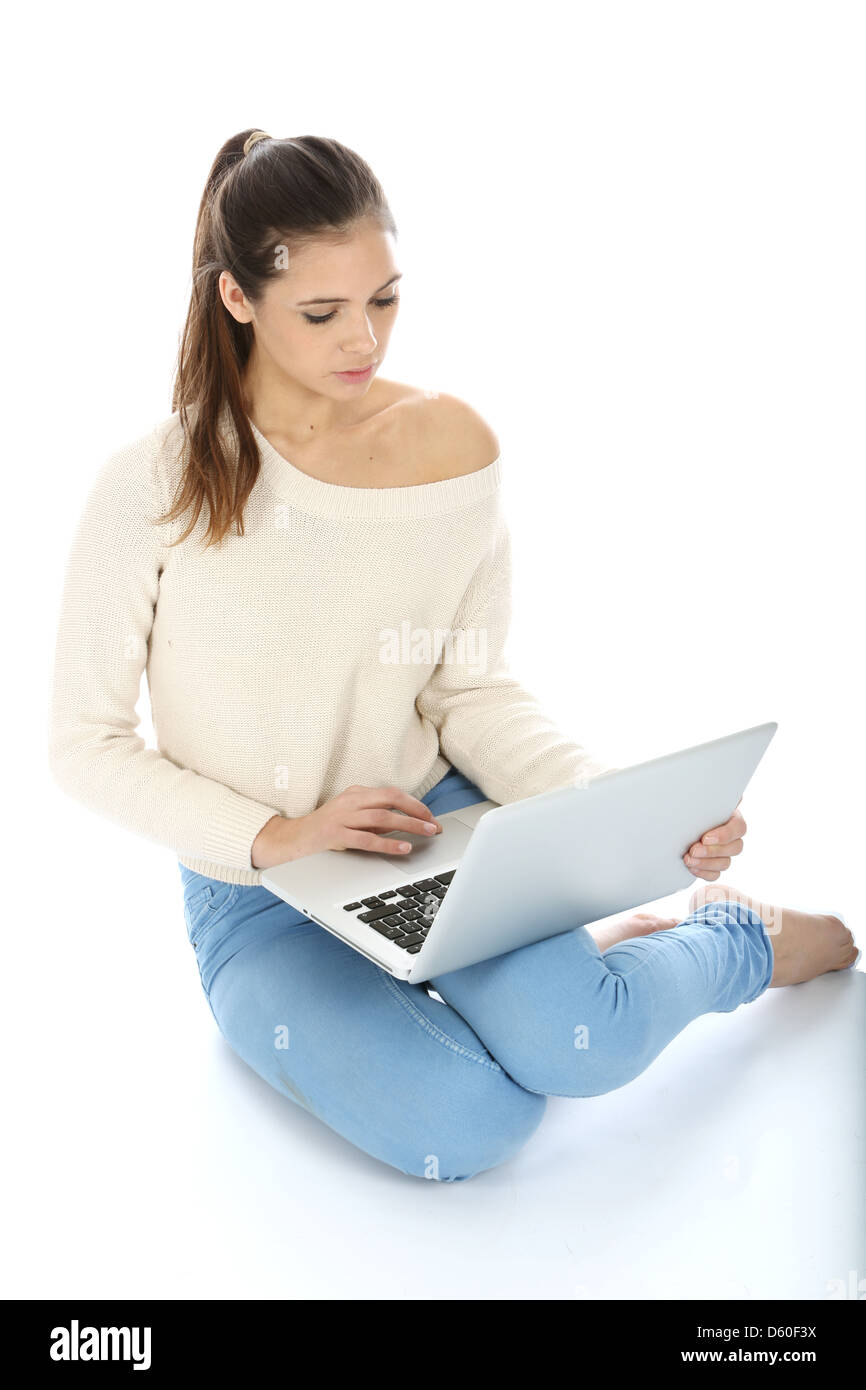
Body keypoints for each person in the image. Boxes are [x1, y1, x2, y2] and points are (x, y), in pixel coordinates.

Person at [48, 129, 858, 1183]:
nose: (364, 341)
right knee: (466, 1128)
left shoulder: (447, 450)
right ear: (236, 300)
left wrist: (624, 811)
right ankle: (531, 984)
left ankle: (724, 940)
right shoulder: (150, 484)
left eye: (384, 299)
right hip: (254, 893)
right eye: (322, 312)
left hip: (431, 834)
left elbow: (468, 687)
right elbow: (83, 742)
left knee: (593, 1044)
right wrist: (282, 834)